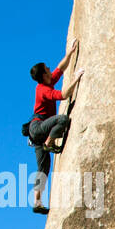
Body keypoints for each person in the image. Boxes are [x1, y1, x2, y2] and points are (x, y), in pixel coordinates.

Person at [28, 40, 83, 213]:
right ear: (44, 75)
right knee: (62, 120)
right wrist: (77, 79)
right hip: (39, 128)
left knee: (43, 169)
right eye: (47, 69)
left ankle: (37, 202)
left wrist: (71, 53)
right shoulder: (44, 90)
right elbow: (65, 94)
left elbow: (61, 67)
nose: (50, 69)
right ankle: (49, 142)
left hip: (36, 134)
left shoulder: (47, 82)